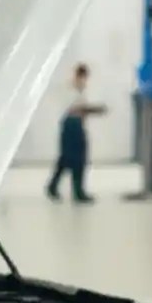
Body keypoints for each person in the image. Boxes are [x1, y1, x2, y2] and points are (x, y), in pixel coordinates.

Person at [46, 63, 106, 204]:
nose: (84, 81)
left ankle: (60, 187)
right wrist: (95, 109)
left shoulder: (80, 91)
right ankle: (75, 191)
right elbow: (75, 109)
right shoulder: (70, 89)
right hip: (71, 125)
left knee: (70, 159)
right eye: (82, 77)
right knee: (73, 159)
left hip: (76, 124)